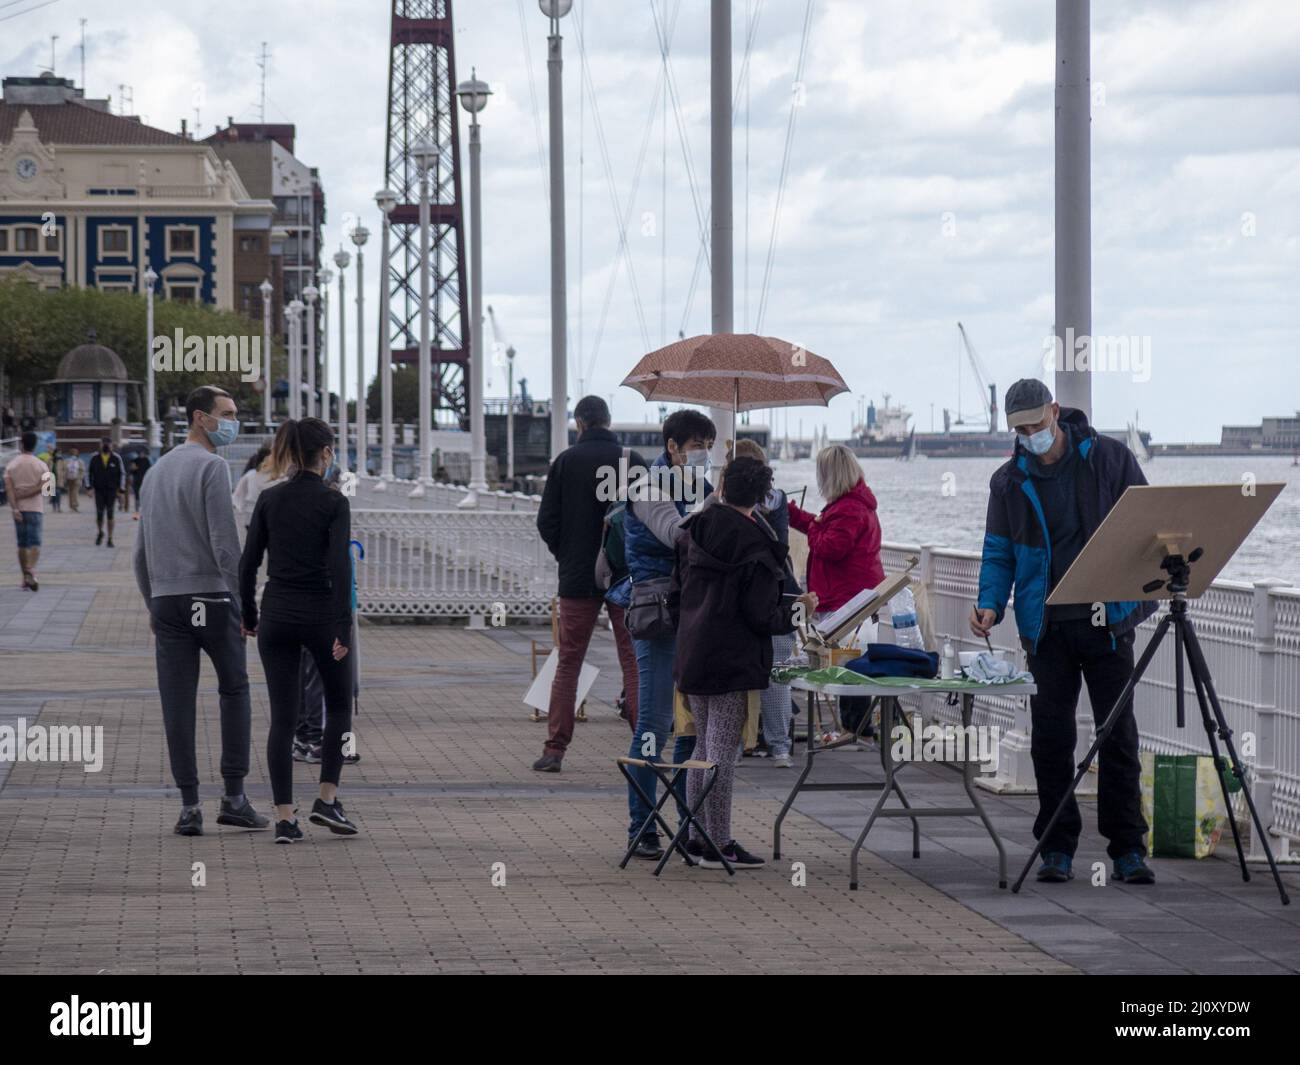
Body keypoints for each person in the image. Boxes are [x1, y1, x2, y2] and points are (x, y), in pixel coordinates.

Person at [971, 379, 1156, 886]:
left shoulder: (1112, 459)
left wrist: (1143, 596)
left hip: (1108, 624)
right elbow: (998, 551)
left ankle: (1128, 851)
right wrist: (989, 603)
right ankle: (1056, 847)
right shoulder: (1007, 481)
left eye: (1035, 424)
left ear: (1055, 411)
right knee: (1050, 741)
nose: (1028, 435)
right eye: (1019, 429)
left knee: (1118, 736)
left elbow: (1149, 526)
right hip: (1047, 629)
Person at [133, 386, 268, 836]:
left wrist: (152, 599)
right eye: (226, 414)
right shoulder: (212, 467)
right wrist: (244, 602)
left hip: (168, 601)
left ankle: (189, 805)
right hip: (211, 598)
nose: (234, 422)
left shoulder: (156, 472)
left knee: (178, 702)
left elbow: (139, 551)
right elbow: (225, 545)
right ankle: (234, 797)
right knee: (234, 690)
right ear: (199, 418)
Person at [674, 456, 816, 868]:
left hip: (694, 647)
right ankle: (719, 841)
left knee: (702, 745)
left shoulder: (695, 528)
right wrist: (799, 610)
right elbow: (760, 616)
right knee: (721, 750)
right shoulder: (756, 544)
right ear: (761, 496)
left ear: (722, 484)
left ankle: (698, 837)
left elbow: (679, 588)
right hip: (732, 655)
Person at [239, 417, 358, 843]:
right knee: (339, 705)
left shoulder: (270, 499)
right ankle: (326, 798)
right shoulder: (334, 503)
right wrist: (343, 627)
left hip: (277, 616)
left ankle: (285, 819)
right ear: (325, 454)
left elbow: (249, 560)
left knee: (283, 720)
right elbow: (341, 567)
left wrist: (248, 614)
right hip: (322, 616)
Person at [611, 408, 716, 861]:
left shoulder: (699, 486)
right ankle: (643, 825)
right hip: (657, 613)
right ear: (672, 447)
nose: (704, 455)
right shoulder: (647, 487)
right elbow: (677, 533)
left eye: (709, 447)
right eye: (697, 447)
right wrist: (720, 504)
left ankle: (689, 823)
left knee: (690, 724)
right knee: (654, 722)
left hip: (694, 613)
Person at [532, 395, 643, 772]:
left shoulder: (565, 462)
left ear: (579, 423)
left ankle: (554, 750)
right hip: (626, 576)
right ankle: (644, 745)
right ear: (608, 421)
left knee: (569, 662)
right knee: (633, 660)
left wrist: (569, 555)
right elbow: (651, 518)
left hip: (578, 576)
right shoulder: (632, 461)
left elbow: (546, 521)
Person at [787, 443, 885, 734]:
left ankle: (857, 726)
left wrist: (813, 525)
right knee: (849, 664)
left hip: (847, 602)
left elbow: (830, 546)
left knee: (847, 667)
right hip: (854, 599)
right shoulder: (852, 505)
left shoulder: (848, 510)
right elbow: (822, 529)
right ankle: (856, 726)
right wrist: (794, 514)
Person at [733, 438, 800, 767]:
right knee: (778, 674)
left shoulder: (725, 505)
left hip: (742, 597)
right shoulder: (778, 500)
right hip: (781, 594)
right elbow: (782, 545)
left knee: (736, 671)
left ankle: (732, 743)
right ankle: (780, 746)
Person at [4, 431, 47, 591]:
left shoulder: (11, 464)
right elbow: (48, 489)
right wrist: (30, 492)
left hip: (18, 510)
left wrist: (14, 507)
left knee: (22, 544)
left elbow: (9, 489)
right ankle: (30, 569)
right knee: (35, 543)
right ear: (35, 445)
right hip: (36, 509)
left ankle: (24, 578)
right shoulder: (42, 464)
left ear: (21, 444)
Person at [87, 437, 125, 547]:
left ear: (111, 445)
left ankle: (110, 538)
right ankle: (100, 532)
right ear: (100, 445)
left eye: (108, 444)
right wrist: (89, 488)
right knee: (99, 513)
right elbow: (88, 473)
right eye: (104, 444)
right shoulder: (94, 458)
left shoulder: (116, 458)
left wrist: (121, 490)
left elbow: (122, 474)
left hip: (111, 490)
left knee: (110, 513)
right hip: (99, 490)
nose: (106, 446)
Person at [231, 445, 277, 524]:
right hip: (271, 516)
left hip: (251, 514)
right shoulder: (279, 476)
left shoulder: (250, 474)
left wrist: (242, 507)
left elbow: (237, 495)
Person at [62, 448, 83, 512]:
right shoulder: (76, 461)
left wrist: (80, 477)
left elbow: (81, 470)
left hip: (73, 478)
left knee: (73, 492)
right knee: (72, 492)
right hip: (72, 478)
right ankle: (73, 505)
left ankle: (73, 505)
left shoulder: (77, 461)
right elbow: (81, 470)